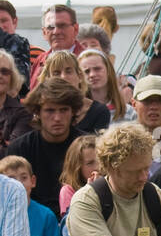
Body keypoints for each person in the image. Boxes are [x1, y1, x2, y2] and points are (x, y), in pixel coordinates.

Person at [6, 77, 86, 213]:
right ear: (38, 112)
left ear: (73, 111)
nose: (57, 118)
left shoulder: (86, 147)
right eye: (50, 110)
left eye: (63, 110)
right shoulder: (20, 148)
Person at [0, 156, 60, 236]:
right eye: (12, 179)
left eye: (23, 178)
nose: (18, 183)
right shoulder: (3, 214)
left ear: (33, 181)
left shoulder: (46, 215)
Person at [38, 51, 111, 133]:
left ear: (79, 76)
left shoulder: (99, 111)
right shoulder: (39, 110)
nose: (63, 77)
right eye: (56, 73)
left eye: (68, 71)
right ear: (47, 79)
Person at [129, 75, 161, 175]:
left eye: (160, 101)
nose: (154, 107)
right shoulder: (122, 141)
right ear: (134, 104)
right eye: (147, 101)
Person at [29, 4, 88, 82]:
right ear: (44, 32)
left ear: (76, 29)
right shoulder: (39, 60)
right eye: (50, 27)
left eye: (62, 26)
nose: (56, 32)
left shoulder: (88, 61)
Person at [78, 48, 125, 122]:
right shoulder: (77, 114)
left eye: (97, 69)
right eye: (87, 71)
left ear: (108, 70)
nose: (92, 74)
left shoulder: (128, 112)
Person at [58, 134, 100, 218]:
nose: (98, 167)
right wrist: (91, 191)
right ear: (77, 167)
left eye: (100, 160)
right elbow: (75, 223)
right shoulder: (68, 191)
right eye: (90, 163)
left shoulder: (112, 184)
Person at [0, 49, 29, 150]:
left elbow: (13, 149)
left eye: (5, 72)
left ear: (12, 77)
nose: (0, 76)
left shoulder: (23, 113)